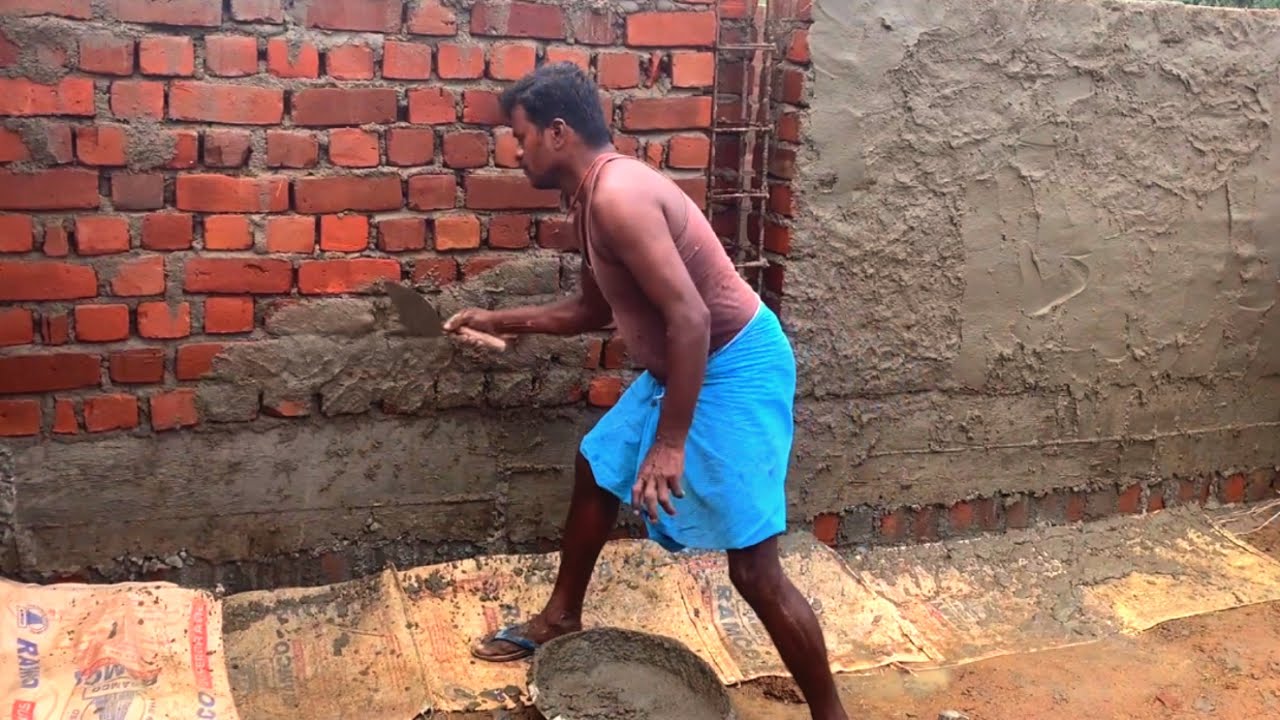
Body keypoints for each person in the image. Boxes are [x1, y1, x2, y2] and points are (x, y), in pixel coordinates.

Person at [443, 62, 850, 720]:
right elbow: (592, 312)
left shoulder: (619, 198)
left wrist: (670, 442)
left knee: (754, 570)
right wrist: (499, 320)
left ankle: (832, 714)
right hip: (688, 365)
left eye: (518, 138)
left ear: (556, 132)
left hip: (736, 366)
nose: (514, 152)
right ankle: (561, 617)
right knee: (597, 464)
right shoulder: (590, 201)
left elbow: (689, 318)